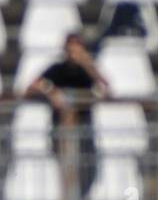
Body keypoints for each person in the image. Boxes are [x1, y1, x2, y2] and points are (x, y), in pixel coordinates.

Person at [22, 33, 111, 184]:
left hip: (84, 131)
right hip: (62, 130)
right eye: (71, 48)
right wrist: (50, 91)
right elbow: (31, 88)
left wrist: (89, 65)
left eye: (78, 49)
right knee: (67, 176)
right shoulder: (57, 69)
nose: (73, 53)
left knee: (82, 177)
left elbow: (106, 91)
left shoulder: (88, 72)